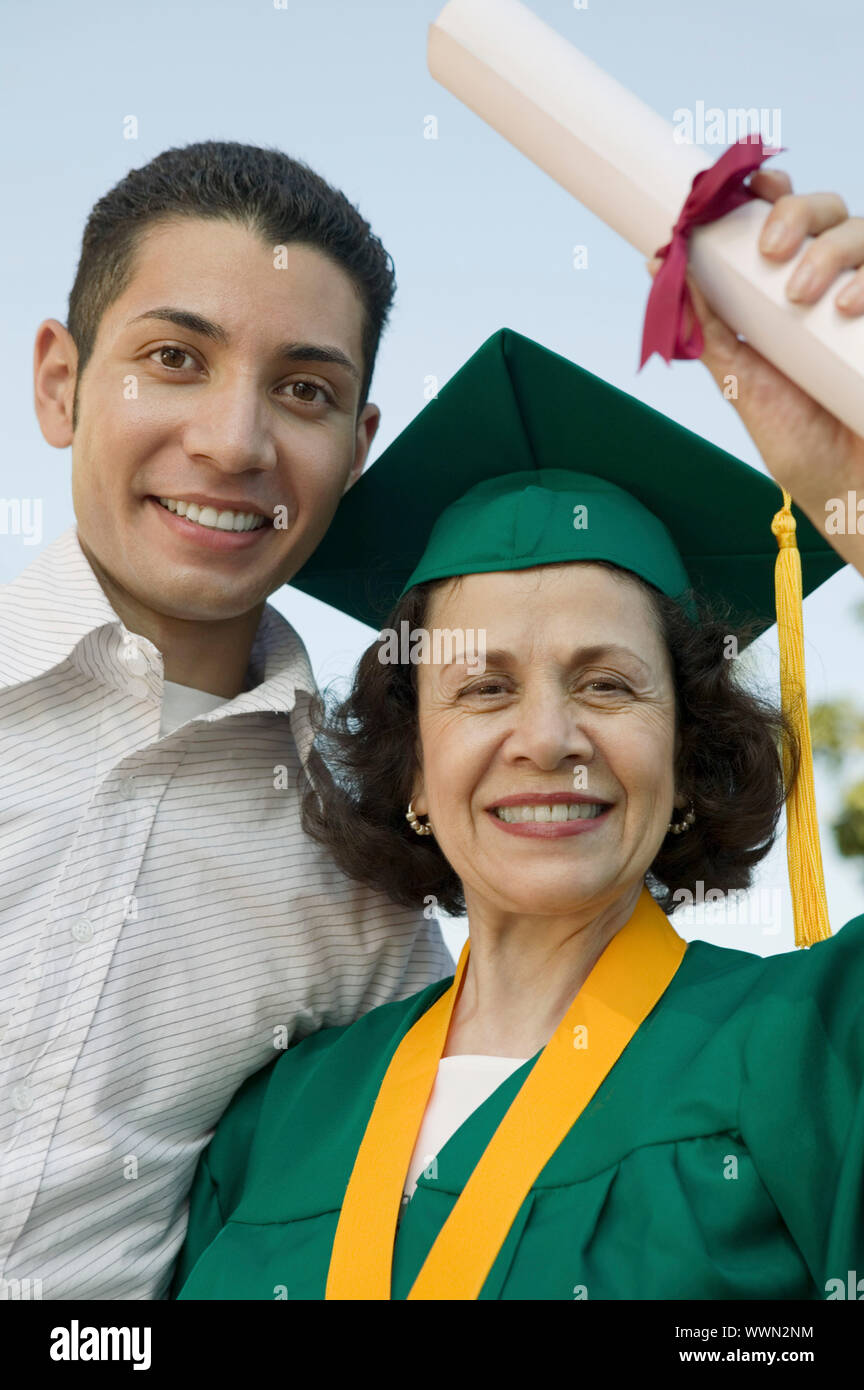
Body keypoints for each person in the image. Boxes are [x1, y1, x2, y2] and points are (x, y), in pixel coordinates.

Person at [172, 325, 863, 1301]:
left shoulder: (814, 1045)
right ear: (413, 765)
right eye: (484, 689)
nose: (548, 738)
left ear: (687, 747)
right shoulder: (280, 1114)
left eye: (609, 685)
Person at [0, 140, 452, 1302]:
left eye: (304, 389)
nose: (234, 442)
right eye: (173, 357)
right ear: (61, 382)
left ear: (358, 448)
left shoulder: (365, 877)